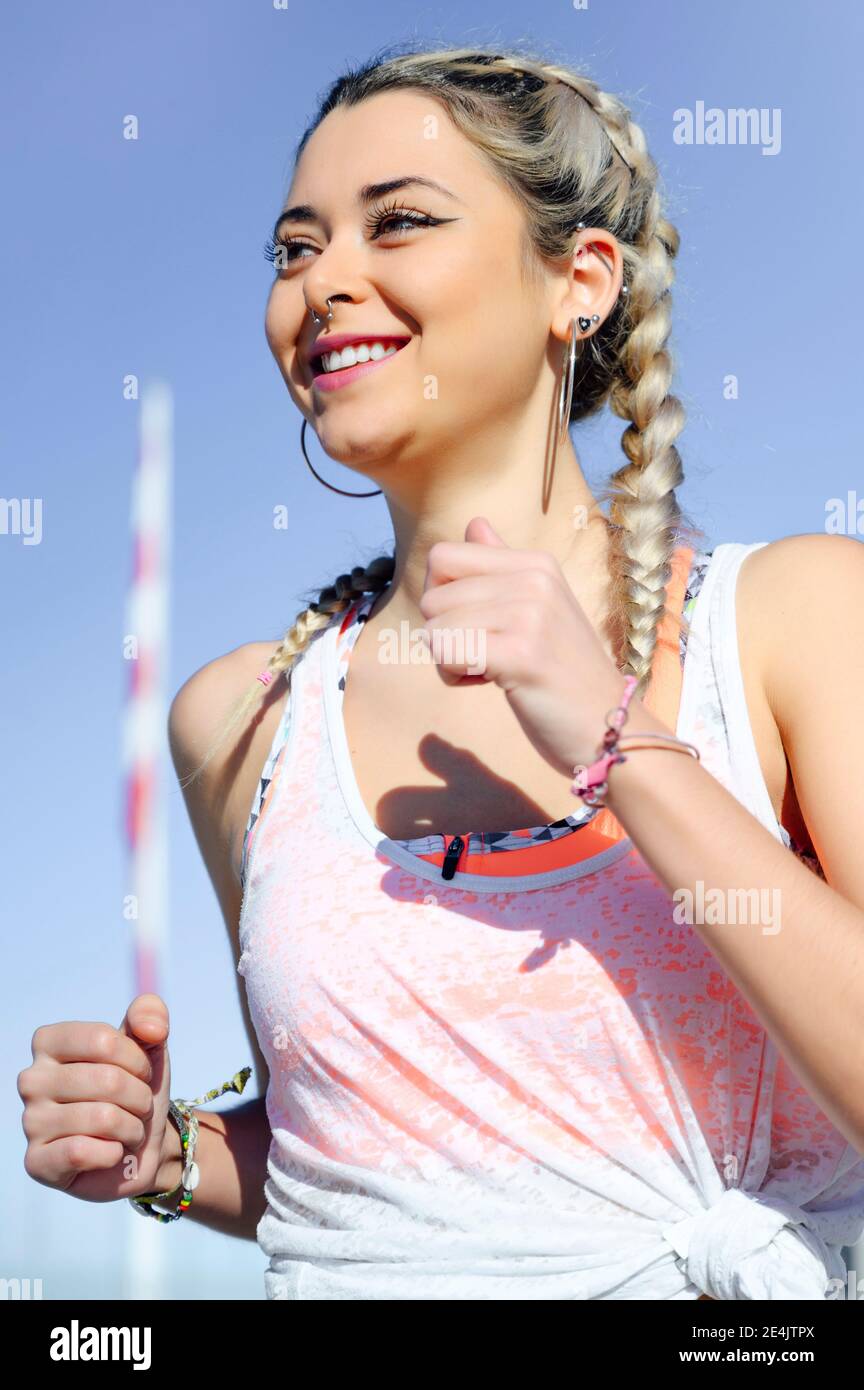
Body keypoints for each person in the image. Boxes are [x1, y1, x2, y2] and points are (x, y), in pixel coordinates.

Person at [19, 43, 864, 1301]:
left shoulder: (795, 614)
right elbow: (356, 1166)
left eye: (399, 222)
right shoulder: (242, 716)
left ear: (578, 282)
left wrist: (619, 739)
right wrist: (169, 1153)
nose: (324, 283)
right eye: (295, 248)